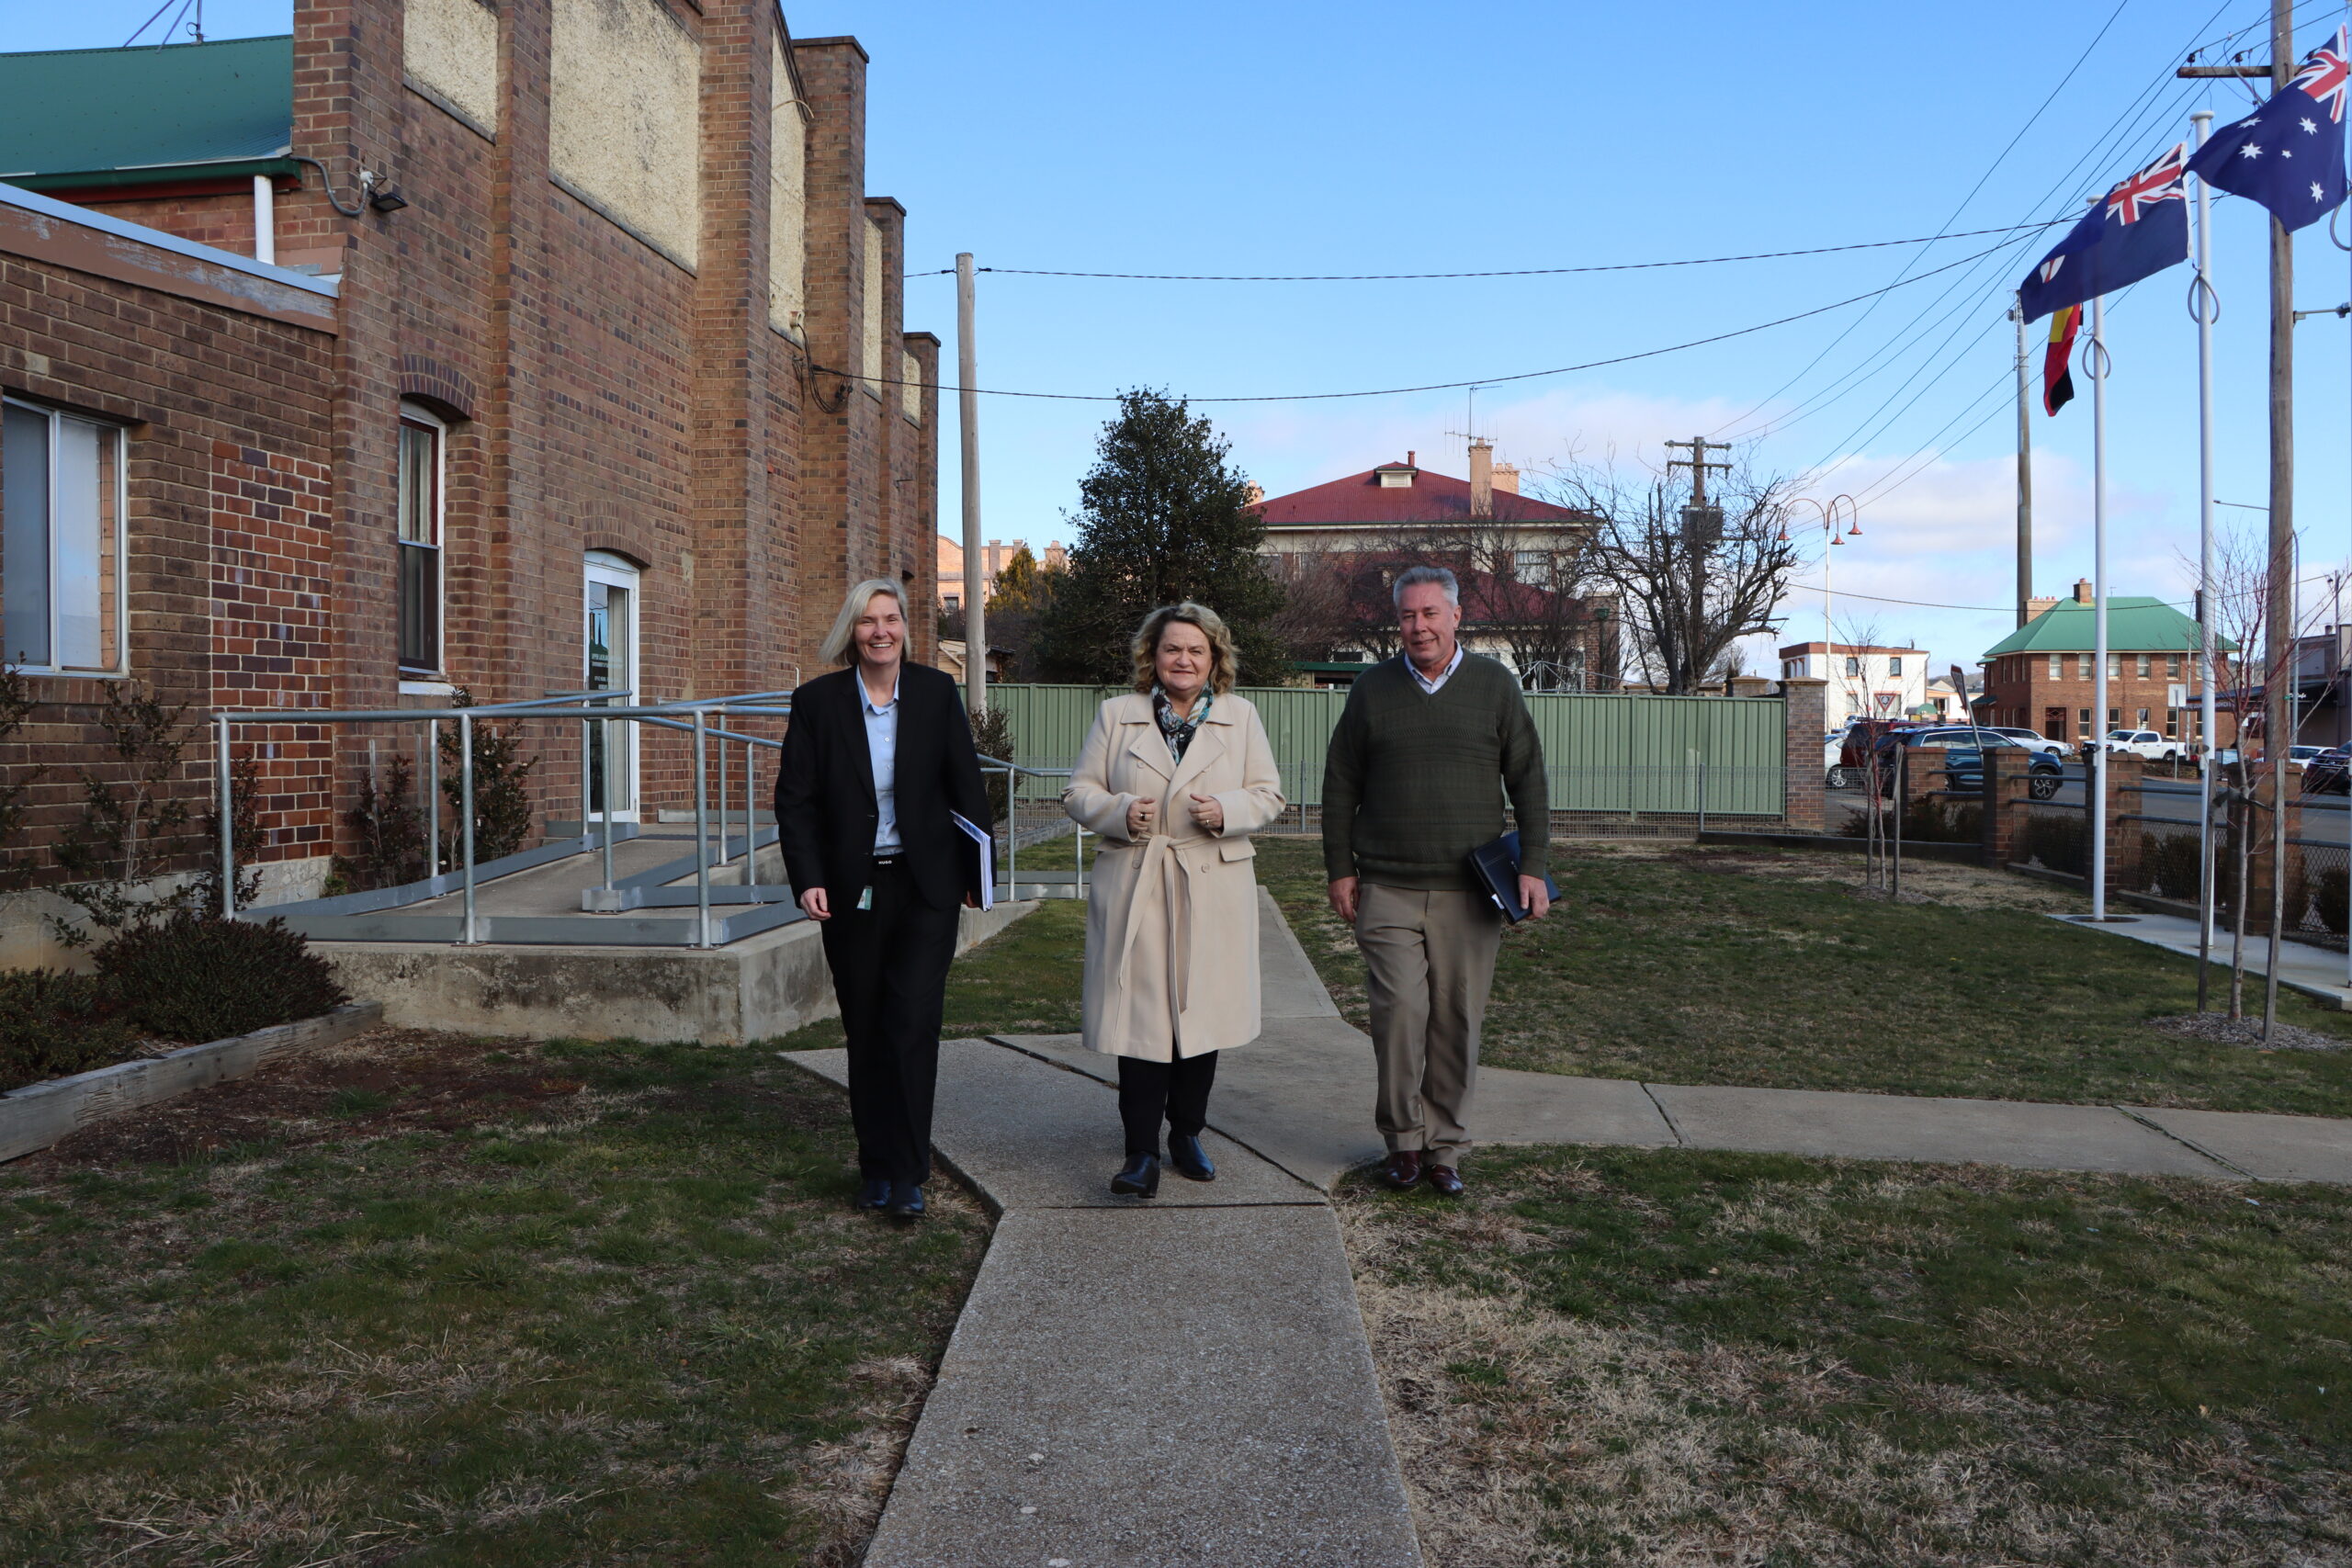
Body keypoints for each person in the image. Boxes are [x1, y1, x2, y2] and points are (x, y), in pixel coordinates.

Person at [1323, 565, 1549, 1198]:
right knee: (1399, 1014)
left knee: (1456, 1021)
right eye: (1406, 615)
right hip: (1387, 885)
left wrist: (1532, 865)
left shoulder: (1494, 686)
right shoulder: (1371, 689)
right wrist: (1340, 867)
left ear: (1456, 617)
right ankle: (1402, 1141)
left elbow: (1527, 776)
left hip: (1469, 891)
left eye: (1429, 613)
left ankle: (1445, 1147)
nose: (1417, 626)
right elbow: (1341, 781)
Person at [775, 579, 991, 1219]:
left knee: (912, 1022)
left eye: (890, 619)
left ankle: (910, 1172)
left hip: (927, 886)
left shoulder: (934, 692)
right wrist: (807, 875)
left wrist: (980, 872)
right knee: (867, 1026)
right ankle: (876, 1166)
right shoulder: (817, 704)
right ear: (852, 631)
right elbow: (796, 800)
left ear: (904, 627)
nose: (881, 631)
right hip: (853, 888)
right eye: (868, 621)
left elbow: (966, 785)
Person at [1064, 602, 1285, 1197]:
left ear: (1214, 658)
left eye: (1195, 650)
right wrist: (1117, 811)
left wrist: (1227, 810)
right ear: (1152, 656)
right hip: (1137, 878)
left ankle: (1186, 1133)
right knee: (1138, 1021)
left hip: (1211, 881)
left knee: (1200, 1012)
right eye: (1171, 649)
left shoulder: (1241, 717)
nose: (1182, 660)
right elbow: (1078, 791)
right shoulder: (1117, 714)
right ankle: (1141, 1152)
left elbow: (1269, 795)